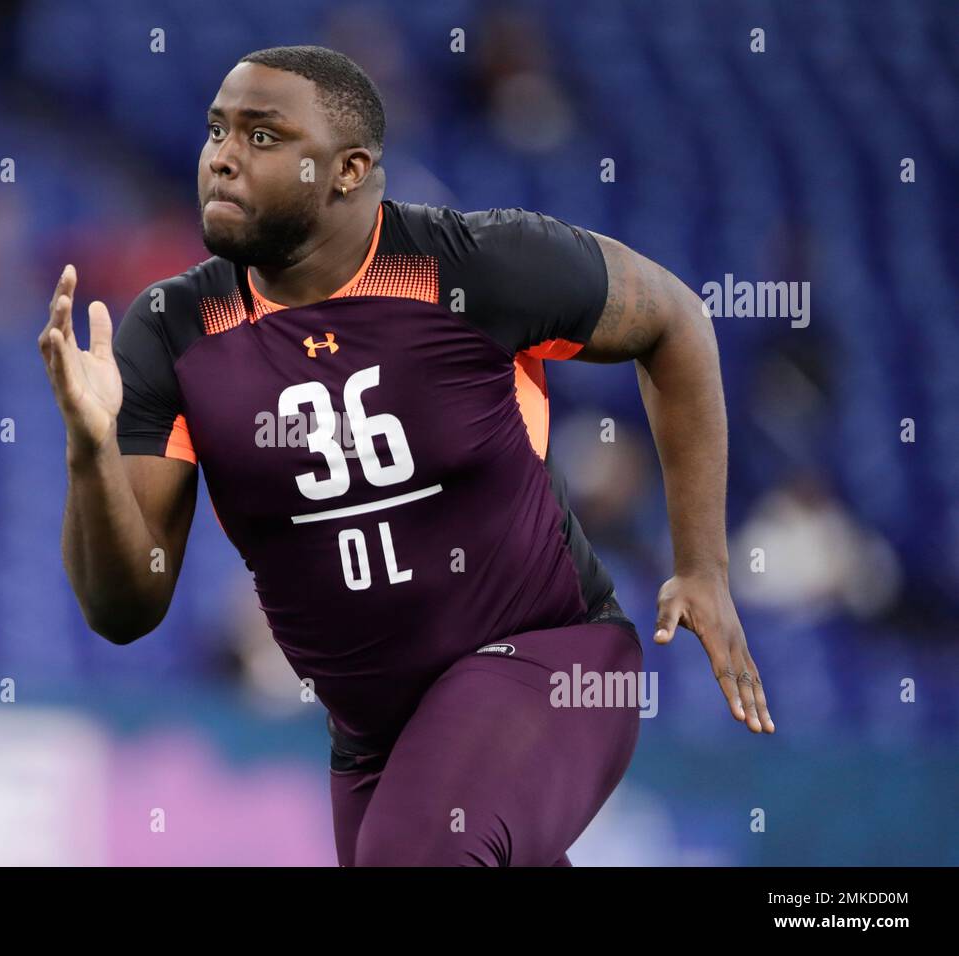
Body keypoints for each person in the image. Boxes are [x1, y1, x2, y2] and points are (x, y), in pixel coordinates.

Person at [39, 45, 774, 867]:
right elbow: (122, 608)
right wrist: (91, 450)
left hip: (548, 660)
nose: (223, 156)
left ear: (349, 169)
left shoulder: (470, 266)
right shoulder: (172, 330)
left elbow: (674, 320)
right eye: (217, 130)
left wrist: (703, 564)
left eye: (263, 135)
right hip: (376, 739)